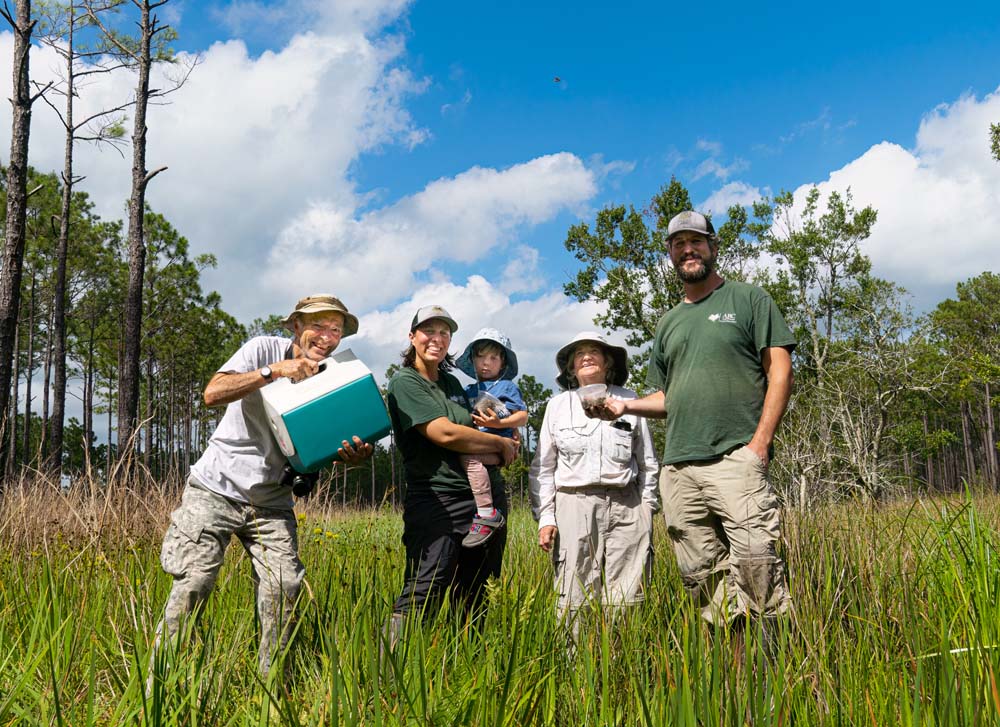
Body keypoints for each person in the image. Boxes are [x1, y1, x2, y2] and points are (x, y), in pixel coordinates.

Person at [588, 210, 796, 645]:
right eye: (678, 244)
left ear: (713, 247)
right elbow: (666, 397)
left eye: (695, 241)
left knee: (757, 557)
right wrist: (621, 408)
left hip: (736, 456)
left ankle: (775, 668)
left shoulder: (749, 300)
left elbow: (780, 370)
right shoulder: (668, 323)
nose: (688, 250)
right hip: (679, 469)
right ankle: (734, 663)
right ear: (670, 254)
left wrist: (759, 444)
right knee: (700, 571)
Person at [150, 294, 374, 680]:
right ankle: (160, 682)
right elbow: (212, 394)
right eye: (318, 325)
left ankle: (272, 686)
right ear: (296, 327)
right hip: (216, 488)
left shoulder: (337, 376)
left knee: (284, 585)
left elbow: (315, 446)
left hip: (272, 499)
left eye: (335, 329)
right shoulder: (262, 350)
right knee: (195, 581)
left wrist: (350, 454)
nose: (326, 336)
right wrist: (274, 372)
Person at [385, 306, 519, 645]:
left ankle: (469, 671)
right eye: (428, 330)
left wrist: (504, 437)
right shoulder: (405, 382)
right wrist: (498, 445)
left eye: (445, 332)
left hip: (483, 498)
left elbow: (481, 420)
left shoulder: (453, 384)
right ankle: (390, 675)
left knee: (478, 593)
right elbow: (444, 434)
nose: (437, 338)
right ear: (412, 337)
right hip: (436, 498)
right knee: (425, 586)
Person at [528, 331, 659, 640]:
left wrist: (647, 509)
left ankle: (623, 669)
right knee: (573, 593)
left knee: (627, 596)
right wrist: (546, 518)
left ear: (608, 363)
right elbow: (543, 467)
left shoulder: (629, 400)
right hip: (573, 505)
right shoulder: (558, 406)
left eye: (594, 351)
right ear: (571, 368)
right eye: (579, 353)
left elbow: (649, 461)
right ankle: (575, 673)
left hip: (628, 505)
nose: (586, 356)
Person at [454, 328, 528, 547]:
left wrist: (499, 424)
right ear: (472, 360)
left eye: (493, 358)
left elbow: (522, 416)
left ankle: (486, 512)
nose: (486, 363)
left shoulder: (507, 387)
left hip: (497, 445)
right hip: (477, 441)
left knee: (468, 458)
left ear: (502, 363)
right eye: (481, 357)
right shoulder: (468, 390)